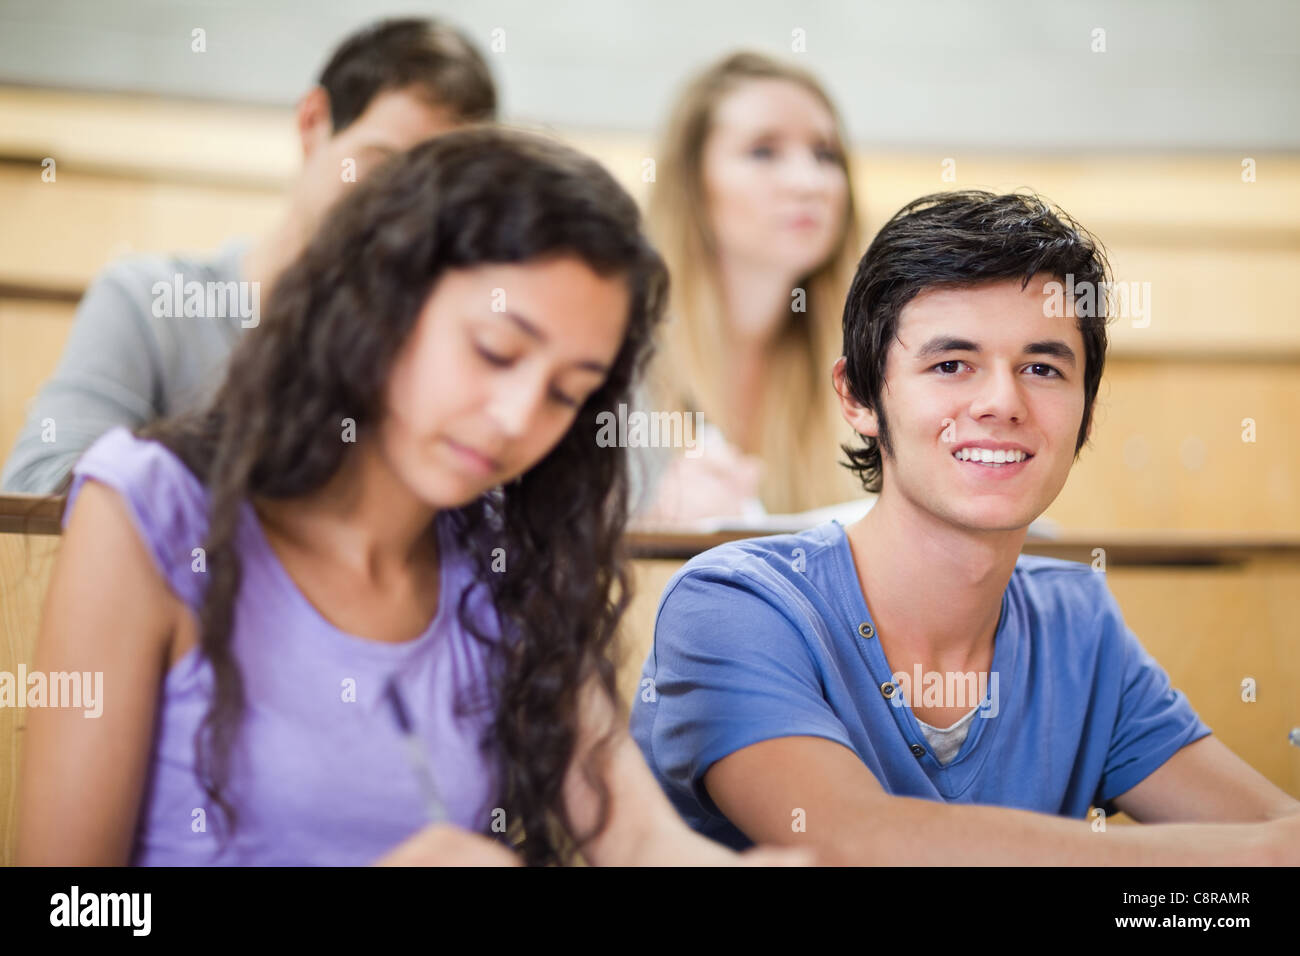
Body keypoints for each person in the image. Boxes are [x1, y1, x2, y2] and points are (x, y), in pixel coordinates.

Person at [17, 127, 809, 867]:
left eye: (568, 394)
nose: (516, 420)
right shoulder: (151, 512)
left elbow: (640, 842)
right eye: (495, 351)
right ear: (382, 305)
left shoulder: (512, 556)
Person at [630, 189, 1300, 864]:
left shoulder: (1078, 626)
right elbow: (849, 840)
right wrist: (1252, 858)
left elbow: (1277, 827)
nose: (1002, 403)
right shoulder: (733, 606)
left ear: (1087, 414)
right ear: (858, 396)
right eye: (951, 365)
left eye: (1042, 368)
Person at [2, 17, 497, 494]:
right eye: (381, 165)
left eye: (433, 189)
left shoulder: (427, 344)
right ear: (312, 123)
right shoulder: (152, 302)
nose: (402, 210)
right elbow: (38, 485)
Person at [634, 51, 865, 523]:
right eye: (764, 151)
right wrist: (651, 521)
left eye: (825, 155)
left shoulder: (865, 360)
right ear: (691, 185)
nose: (809, 183)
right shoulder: (619, 355)